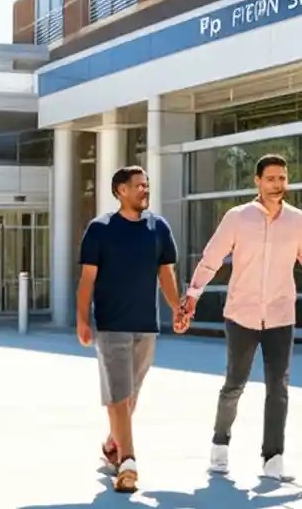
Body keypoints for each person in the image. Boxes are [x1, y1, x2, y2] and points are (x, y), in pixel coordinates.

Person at [175, 153, 302, 481]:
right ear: (257, 181)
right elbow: (211, 258)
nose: (277, 185)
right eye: (271, 178)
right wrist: (192, 298)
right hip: (241, 314)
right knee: (235, 383)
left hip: (280, 315)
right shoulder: (237, 217)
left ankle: (273, 457)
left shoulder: (299, 221)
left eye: (282, 179)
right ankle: (220, 444)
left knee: (279, 387)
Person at [77, 165, 184, 494]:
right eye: (138, 185)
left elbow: (165, 273)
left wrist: (176, 308)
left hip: (145, 326)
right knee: (120, 395)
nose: (144, 190)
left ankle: (113, 442)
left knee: (129, 394)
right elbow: (87, 280)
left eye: (146, 185)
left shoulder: (158, 228)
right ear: (120, 190)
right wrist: (82, 319)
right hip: (111, 326)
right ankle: (128, 463)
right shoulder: (100, 229)